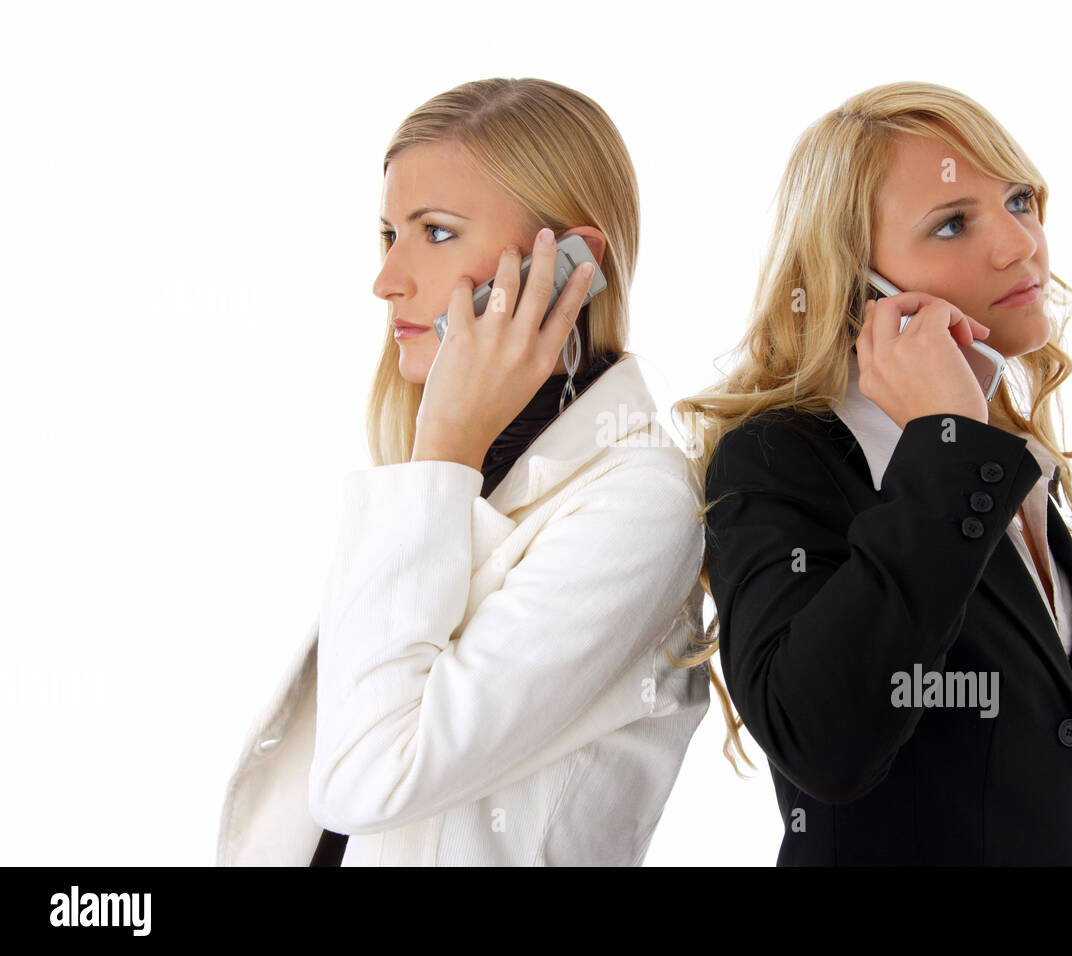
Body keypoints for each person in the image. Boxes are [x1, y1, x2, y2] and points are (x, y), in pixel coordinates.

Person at [217, 78, 710, 866]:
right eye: (388, 235)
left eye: (436, 234)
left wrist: (443, 445)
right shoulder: (455, 468)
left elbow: (368, 781)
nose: (388, 280)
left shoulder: (641, 502)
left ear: (570, 265)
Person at [673, 81, 1072, 865]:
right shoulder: (779, 459)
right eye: (952, 223)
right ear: (859, 284)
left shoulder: (1005, 460)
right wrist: (942, 450)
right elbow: (822, 745)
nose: (1020, 244)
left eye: (1019, 200)